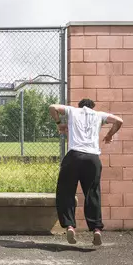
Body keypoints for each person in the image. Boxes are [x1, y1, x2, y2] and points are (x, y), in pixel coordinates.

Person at [49, 98, 123, 246]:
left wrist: (60, 124)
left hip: (74, 156)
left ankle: (70, 226)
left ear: (80, 106)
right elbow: (119, 120)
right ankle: (96, 229)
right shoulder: (98, 115)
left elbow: (52, 107)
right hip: (92, 158)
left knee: (65, 191)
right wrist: (109, 135)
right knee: (92, 193)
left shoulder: (72, 111)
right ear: (92, 107)